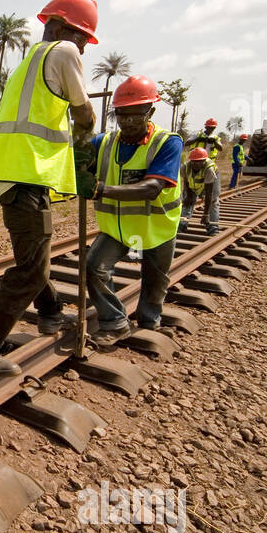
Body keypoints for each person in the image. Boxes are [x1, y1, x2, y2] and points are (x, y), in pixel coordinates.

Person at [0, 0, 98, 375]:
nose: (83, 51)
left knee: (33, 257)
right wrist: (85, 141)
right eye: (83, 40)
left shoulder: (26, 63)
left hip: (11, 174)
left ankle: (51, 307)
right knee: (32, 271)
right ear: (59, 27)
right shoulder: (63, 53)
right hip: (28, 176)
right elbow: (83, 111)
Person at [81, 76, 182, 344]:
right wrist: (76, 155)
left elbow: (151, 188)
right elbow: (76, 162)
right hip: (117, 227)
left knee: (154, 278)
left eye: (134, 115)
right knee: (95, 267)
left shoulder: (167, 143)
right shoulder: (103, 143)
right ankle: (114, 322)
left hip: (155, 227)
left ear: (150, 112)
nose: (126, 121)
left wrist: (100, 190)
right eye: (121, 115)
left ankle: (149, 321)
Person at [179, 147, 221, 235]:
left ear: (204, 161)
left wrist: (205, 215)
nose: (196, 163)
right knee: (187, 201)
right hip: (193, 184)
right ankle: (182, 224)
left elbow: (209, 193)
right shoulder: (185, 167)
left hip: (210, 182)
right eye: (194, 161)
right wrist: (189, 196)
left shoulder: (209, 169)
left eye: (199, 161)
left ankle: (213, 226)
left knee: (213, 201)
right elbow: (186, 182)